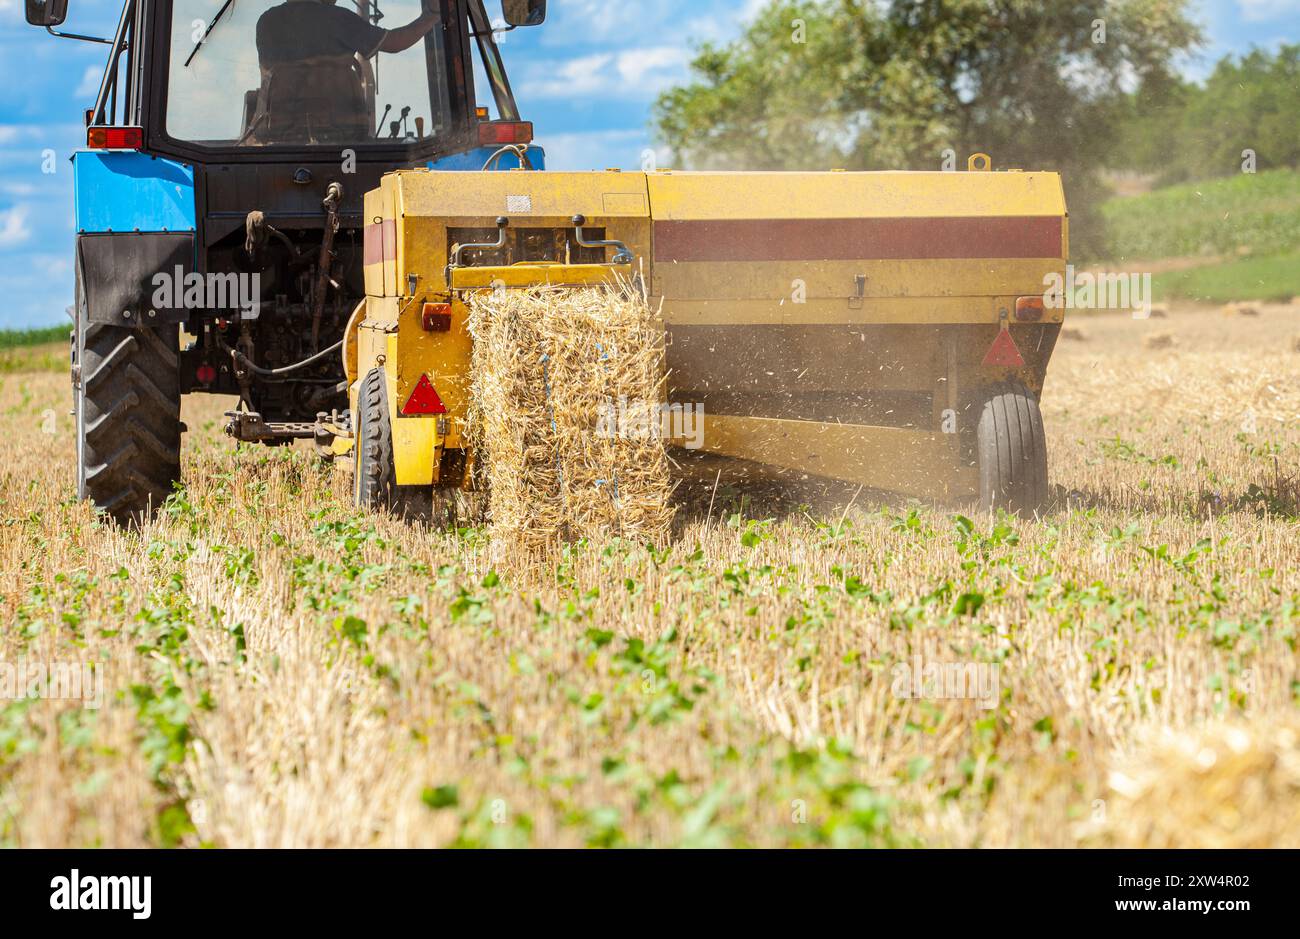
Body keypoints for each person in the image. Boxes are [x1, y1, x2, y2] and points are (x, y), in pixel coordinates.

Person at [248, 0, 440, 143]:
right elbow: (395, 42)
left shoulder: (267, 22)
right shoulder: (338, 19)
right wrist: (431, 15)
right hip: (343, 137)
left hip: (280, 138)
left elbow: (271, 72)